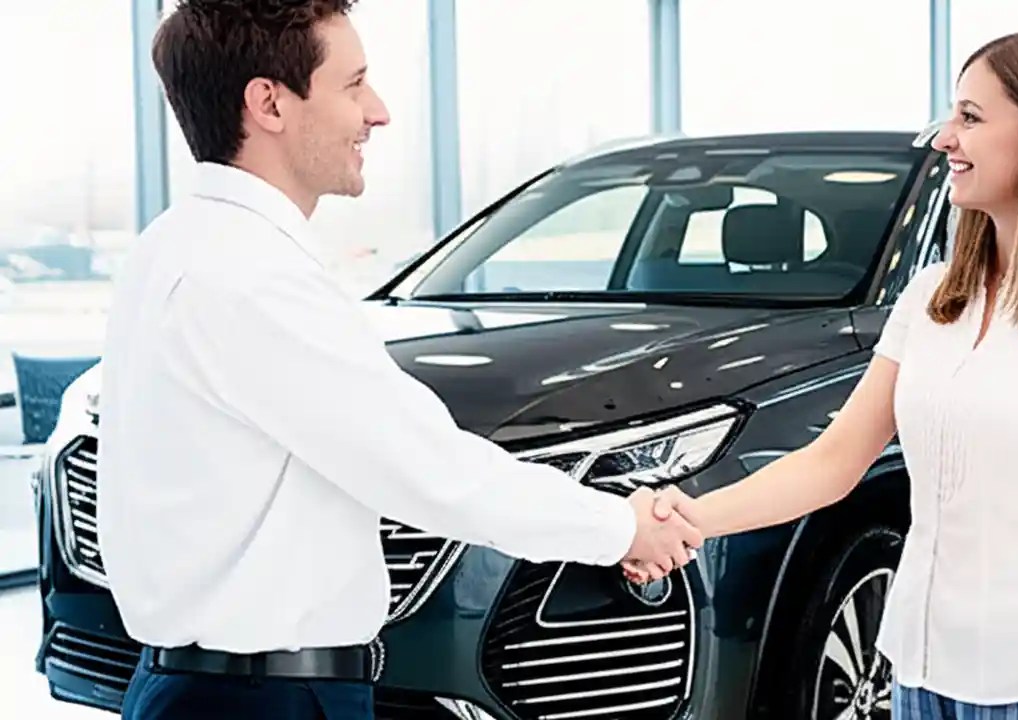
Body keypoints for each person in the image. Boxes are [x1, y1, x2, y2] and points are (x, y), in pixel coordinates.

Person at [95, 2, 700, 719]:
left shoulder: (176, 246)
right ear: (269, 103)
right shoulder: (249, 276)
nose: (376, 113)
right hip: (262, 699)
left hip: (218, 686)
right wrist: (624, 527)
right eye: (353, 85)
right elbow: (430, 470)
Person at [628, 31, 1018, 720]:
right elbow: (831, 462)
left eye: (971, 118)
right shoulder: (931, 297)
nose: (943, 138)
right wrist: (688, 518)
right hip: (921, 674)